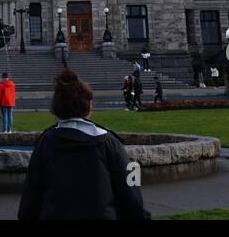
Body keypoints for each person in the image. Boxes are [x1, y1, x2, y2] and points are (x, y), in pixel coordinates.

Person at [18, 70, 150, 221]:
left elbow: (31, 193)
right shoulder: (109, 142)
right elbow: (131, 189)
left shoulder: (45, 142)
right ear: (89, 105)